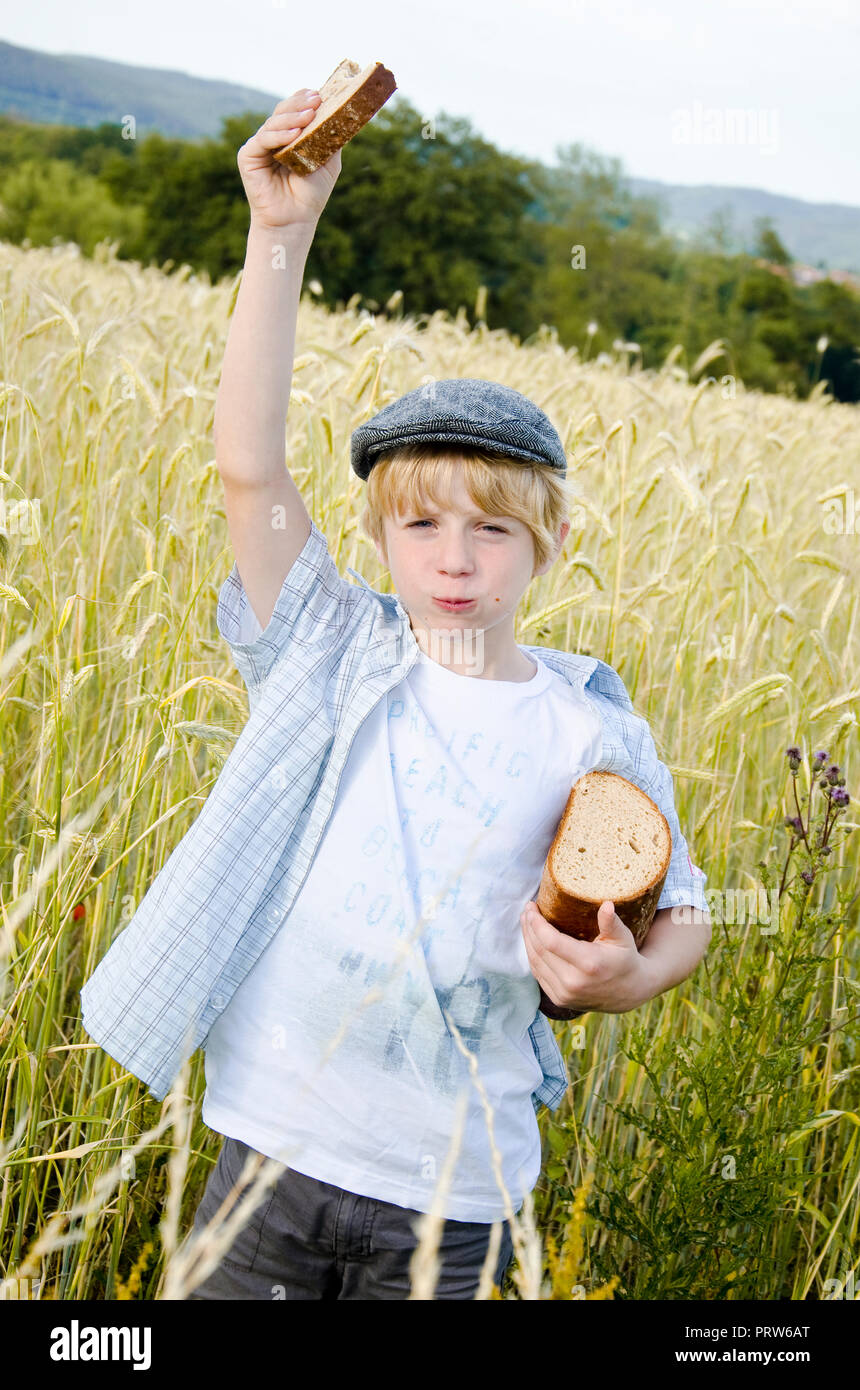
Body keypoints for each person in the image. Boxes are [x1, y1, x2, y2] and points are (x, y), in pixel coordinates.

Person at [80, 86, 711, 1300]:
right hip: (269, 1155)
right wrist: (281, 229)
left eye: (491, 528)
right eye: (419, 524)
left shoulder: (592, 728)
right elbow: (246, 463)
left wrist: (635, 974)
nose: (455, 557)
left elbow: (679, 909)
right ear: (377, 535)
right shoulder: (326, 646)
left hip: (460, 1196)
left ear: (551, 543)